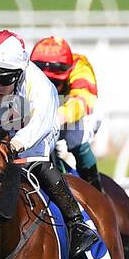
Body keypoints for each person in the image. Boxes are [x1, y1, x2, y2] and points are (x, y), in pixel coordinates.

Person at [0, 29, 93, 258]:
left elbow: (40, 125)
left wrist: (15, 144)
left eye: (5, 78)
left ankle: (77, 225)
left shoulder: (40, 87)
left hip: (34, 131)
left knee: (37, 165)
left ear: (20, 72)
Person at [31, 35, 103, 190]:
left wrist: (58, 117)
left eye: (55, 82)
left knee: (75, 139)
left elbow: (81, 102)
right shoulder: (26, 69)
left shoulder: (80, 67)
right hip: (47, 110)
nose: (50, 87)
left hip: (80, 112)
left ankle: (97, 192)